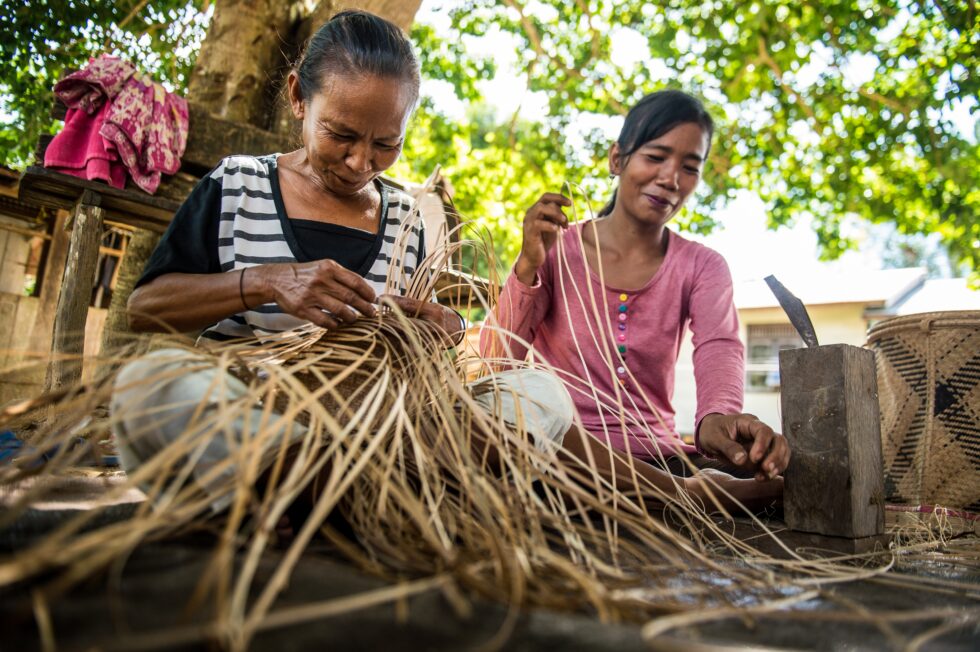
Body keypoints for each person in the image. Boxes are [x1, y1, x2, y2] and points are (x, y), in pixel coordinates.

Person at [112, 10, 574, 515]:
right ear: (297, 97)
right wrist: (265, 282)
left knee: (541, 393)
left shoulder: (406, 217)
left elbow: (427, 352)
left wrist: (443, 327)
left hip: (381, 420)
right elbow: (145, 307)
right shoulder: (236, 186)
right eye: (341, 134)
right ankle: (363, 487)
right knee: (149, 388)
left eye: (385, 144)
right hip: (261, 412)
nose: (361, 162)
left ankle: (319, 490)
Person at [481, 89, 790, 509]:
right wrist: (527, 267)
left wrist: (719, 417)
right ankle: (692, 494)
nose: (671, 179)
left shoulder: (702, 266)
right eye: (656, 157)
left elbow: (719, 346)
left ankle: (679, 487)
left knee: (788, 463)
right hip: (559, 449)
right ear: (616, 159)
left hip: (656, 459)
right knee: (500, 408)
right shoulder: (558, 248)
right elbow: (495, 363)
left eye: (690, 167)